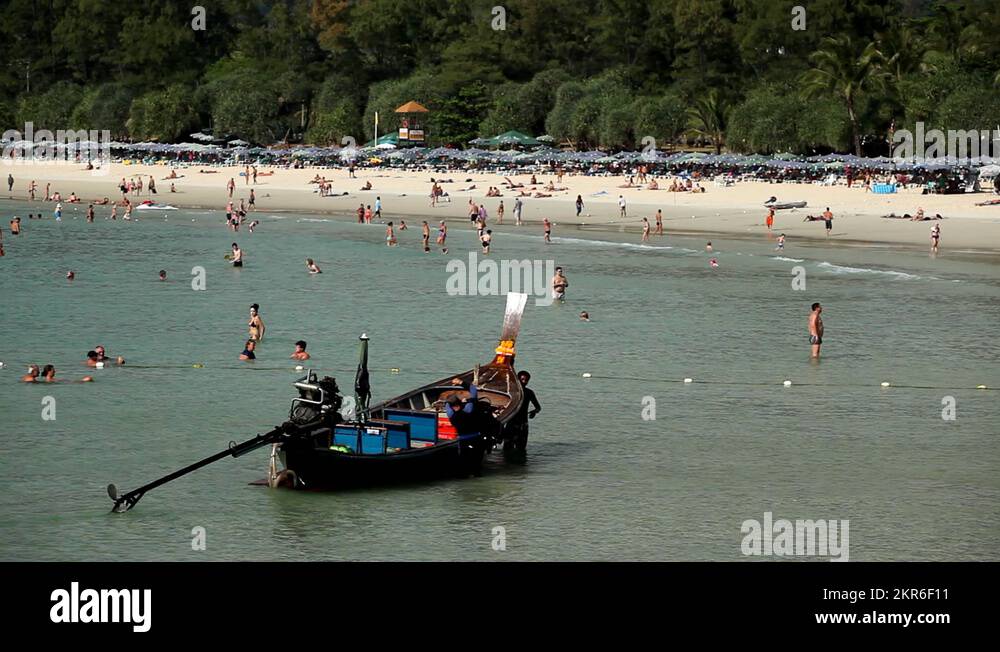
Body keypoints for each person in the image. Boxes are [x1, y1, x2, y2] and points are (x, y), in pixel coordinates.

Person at [503, 371, 541, 452]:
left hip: (523, 424)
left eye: (526, 380)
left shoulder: (529, 392)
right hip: (511, 423)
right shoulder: (511, 392)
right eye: (522, 379)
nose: (524, 382)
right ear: (517, 379)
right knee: (507, 448)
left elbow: (538, 407)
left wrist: (534, 412)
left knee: (521, 448)